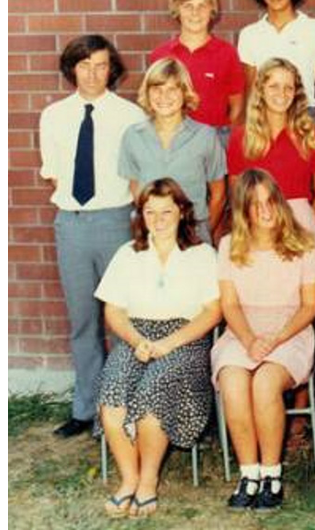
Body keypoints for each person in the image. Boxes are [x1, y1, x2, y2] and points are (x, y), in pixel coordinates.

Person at [39, 35, 146, 439]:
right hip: (72, 222)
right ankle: (85, 408)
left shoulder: (130, 115)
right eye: (84, 65)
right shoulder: (53, 116)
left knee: (121, 319)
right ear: (71, 69)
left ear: (111, 69)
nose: (93, 73)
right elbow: (53, 172)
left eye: (101, 65)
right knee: (83, 319)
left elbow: (136, 176)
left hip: (115, 220)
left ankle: (119, 409)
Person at [95, 178, 221, 519]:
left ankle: (148, 482)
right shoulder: (128, 253)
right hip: (137, 336)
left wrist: (168, 344)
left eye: (167, 211)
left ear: (182, 212)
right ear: (141, 215)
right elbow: (113, 310)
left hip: (185, 338)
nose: (158, 219)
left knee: (154, 391)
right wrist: (138, 341)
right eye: (150, 212)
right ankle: (129, 480)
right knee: (113, 394)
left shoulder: (201, 254)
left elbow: (213, 311)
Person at [212, 169, 315, 511]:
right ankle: (249, 474)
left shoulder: (303, 243)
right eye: (254, 204)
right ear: (242, 210)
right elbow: (229, 304)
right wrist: (248, 340)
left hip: (290, 330)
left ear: (279, 202)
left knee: (264, 383)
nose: (264, 210)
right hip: (243, 329)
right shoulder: (229, 245)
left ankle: (272, 474)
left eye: (269, 201)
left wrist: (275, 339)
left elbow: (310, 306)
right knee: (233, 382)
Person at [228, 57, 315, 284]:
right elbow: (237, 193)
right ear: (260, 90)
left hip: (301, 226)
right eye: (274, 86)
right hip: (257, 227)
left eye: (289, 87)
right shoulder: (241, 136)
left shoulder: (311, 133)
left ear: (296, 93)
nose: (282, 93)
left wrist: (298, 233)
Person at [119, 57, 226, 243]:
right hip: (151, 233)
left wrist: (202, 230)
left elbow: (218, 194)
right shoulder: (133, 136)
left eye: (172, 89)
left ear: (184, 93)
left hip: (194, 232)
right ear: (147, 92)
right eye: (157, 89)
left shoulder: (206, 136)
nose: (164, 97)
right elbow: (135, 187)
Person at [149, 0, 245, 149]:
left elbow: (237, 105)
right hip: (173, 139)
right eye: (188, 6)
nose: (195, 13)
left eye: (202, 6)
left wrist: (223, 136)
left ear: (212, 10)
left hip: (215, 139)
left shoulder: (227, 53)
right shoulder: (161, 55)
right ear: (177, 10)